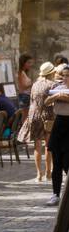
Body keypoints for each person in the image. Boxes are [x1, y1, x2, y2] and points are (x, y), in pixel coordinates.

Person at [19, 61, 56, 183]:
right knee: (49, 145)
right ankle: (48, 172)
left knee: (37, 145)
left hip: (34, 114)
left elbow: (31, 100)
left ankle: (39, 174)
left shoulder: (35, 84)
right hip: (48, 115)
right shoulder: (53, 85)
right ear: (51, 73)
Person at [44, 65, 69, 205]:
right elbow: (46, 101)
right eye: (63, 75)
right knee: (57, 162)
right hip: (59, 123)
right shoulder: (58, 88)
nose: (65, 78)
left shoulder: (61, 91)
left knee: (67, 161)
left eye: (68, 75)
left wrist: (62, 97)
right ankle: (55, 193)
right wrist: (56, 96)